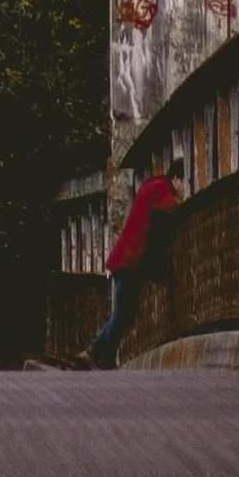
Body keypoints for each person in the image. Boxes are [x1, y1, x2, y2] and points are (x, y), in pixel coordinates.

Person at [84, 153, 184, 369]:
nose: (184, 190)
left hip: (125, 256)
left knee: (125, 310)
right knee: (123, 310)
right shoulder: (163, 191)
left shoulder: (152, 184)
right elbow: (160, 226)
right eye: (186, 182)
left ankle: (93, 351)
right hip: (135, 260)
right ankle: (105, 358)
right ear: (176, 178)